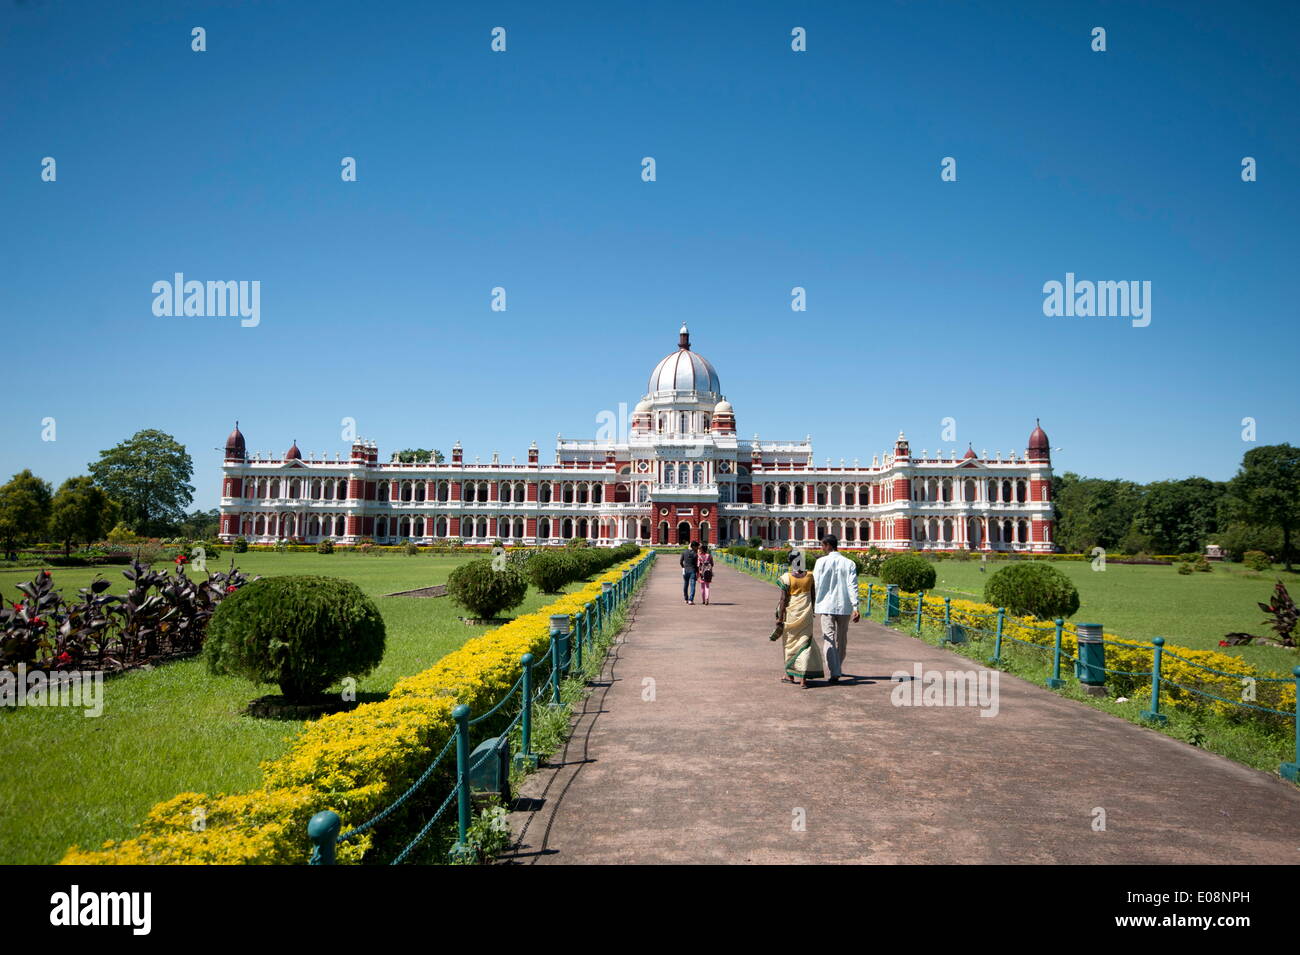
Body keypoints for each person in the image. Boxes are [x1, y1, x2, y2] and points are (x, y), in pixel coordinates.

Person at [811, 534, 859, 683]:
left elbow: (816, 583)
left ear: (828, 546)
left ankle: (835, 671)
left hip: (825, 605)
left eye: (822, 545)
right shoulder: (849, 563)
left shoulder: (820, 562)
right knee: (842, 639)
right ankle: (837, 668)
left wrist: (812, 603)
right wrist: (856, 606)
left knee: (828, 638)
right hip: (844, 606)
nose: (821, 548)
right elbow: (852, 586)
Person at [774, 549, 823, 688]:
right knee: (805, 644)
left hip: (792, 614)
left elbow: (783, 599)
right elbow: (813, 596)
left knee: (790, 644)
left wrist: (780, 617)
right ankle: (803, 680)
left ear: (791, 562)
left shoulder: (786, 577)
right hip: (806, 614)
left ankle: (790, 675)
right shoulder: (810, 576)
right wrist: (812, 610)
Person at [680, 540, 699, 604]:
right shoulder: (695, 554)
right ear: (694, 546)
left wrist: (683, 567)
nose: (697, 548)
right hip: (692, 571)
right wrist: (697, 572)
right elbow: (696, 565)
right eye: (697, 547)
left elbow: (680, 562)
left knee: (685, 585)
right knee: (692, 586)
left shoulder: (684, 552)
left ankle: (686, 599)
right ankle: (690, 600)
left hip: (685, 570)